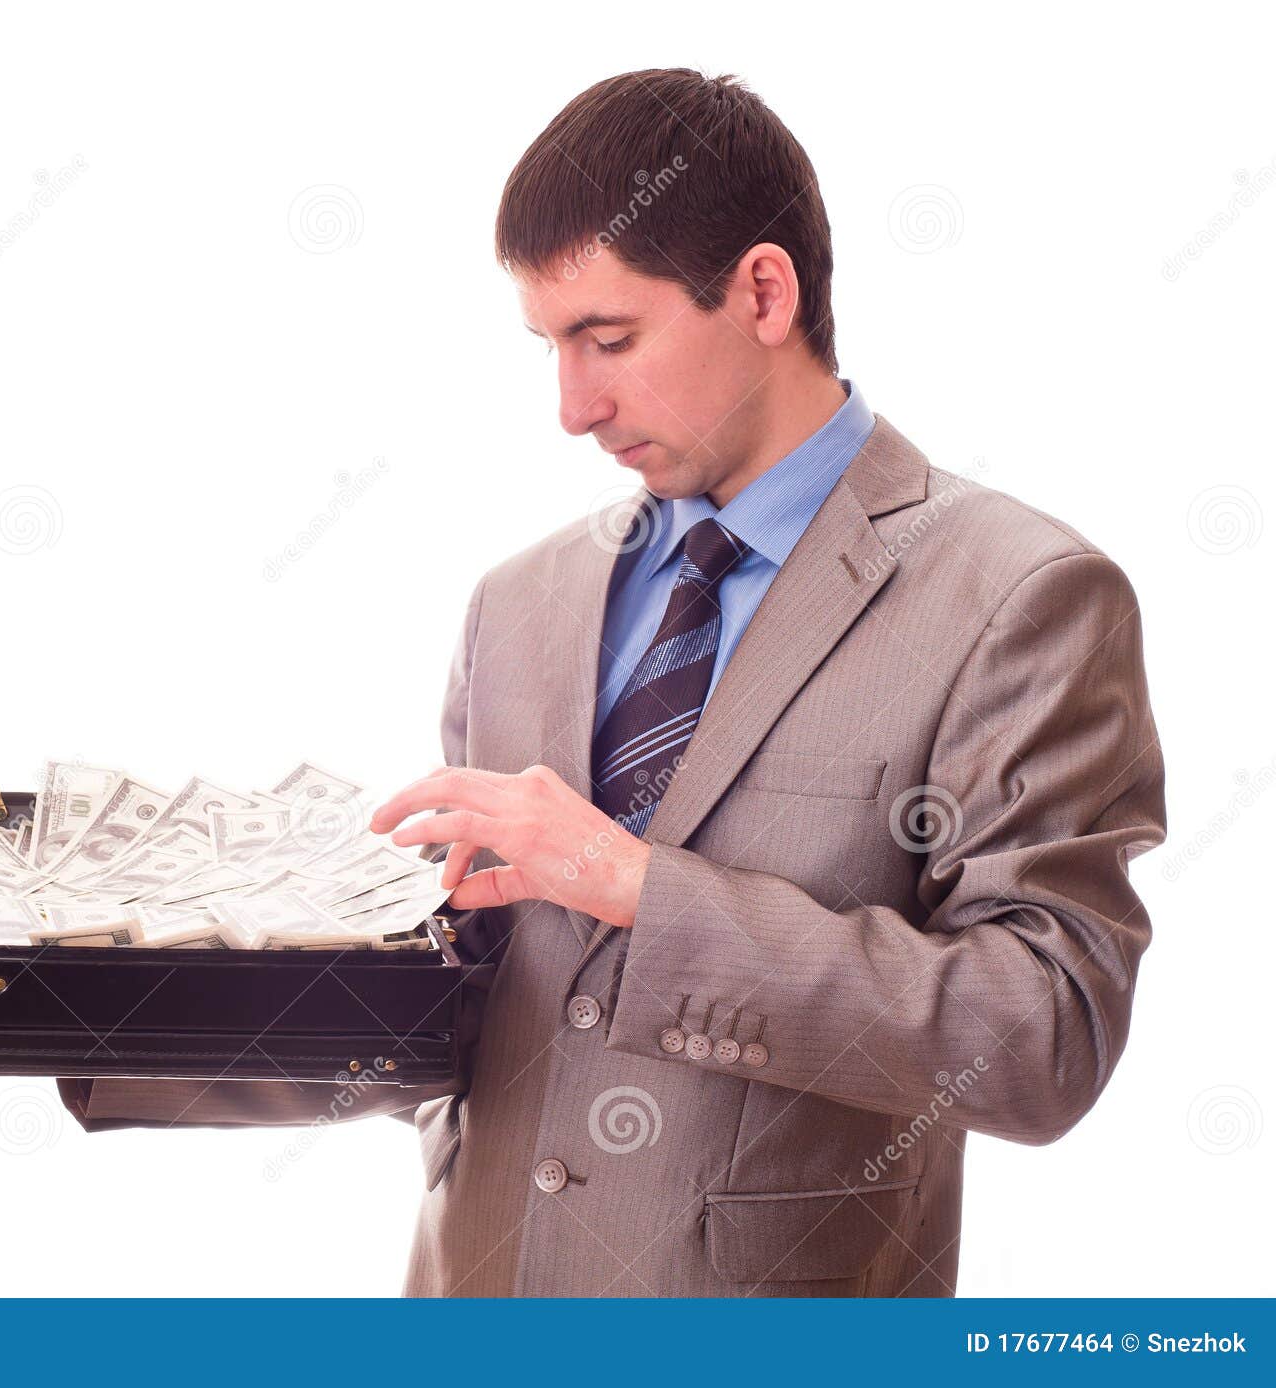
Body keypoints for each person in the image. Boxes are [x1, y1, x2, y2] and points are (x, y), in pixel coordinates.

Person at [360, 68, 1165, 1296]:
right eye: (549, 346)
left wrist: (644, 890)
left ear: (763, 291)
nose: (572, 407)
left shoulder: (1021, 595)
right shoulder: (515, 605)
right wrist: (77, 991)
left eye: (608, 339)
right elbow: (467, 1005)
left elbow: (1042, 1035)